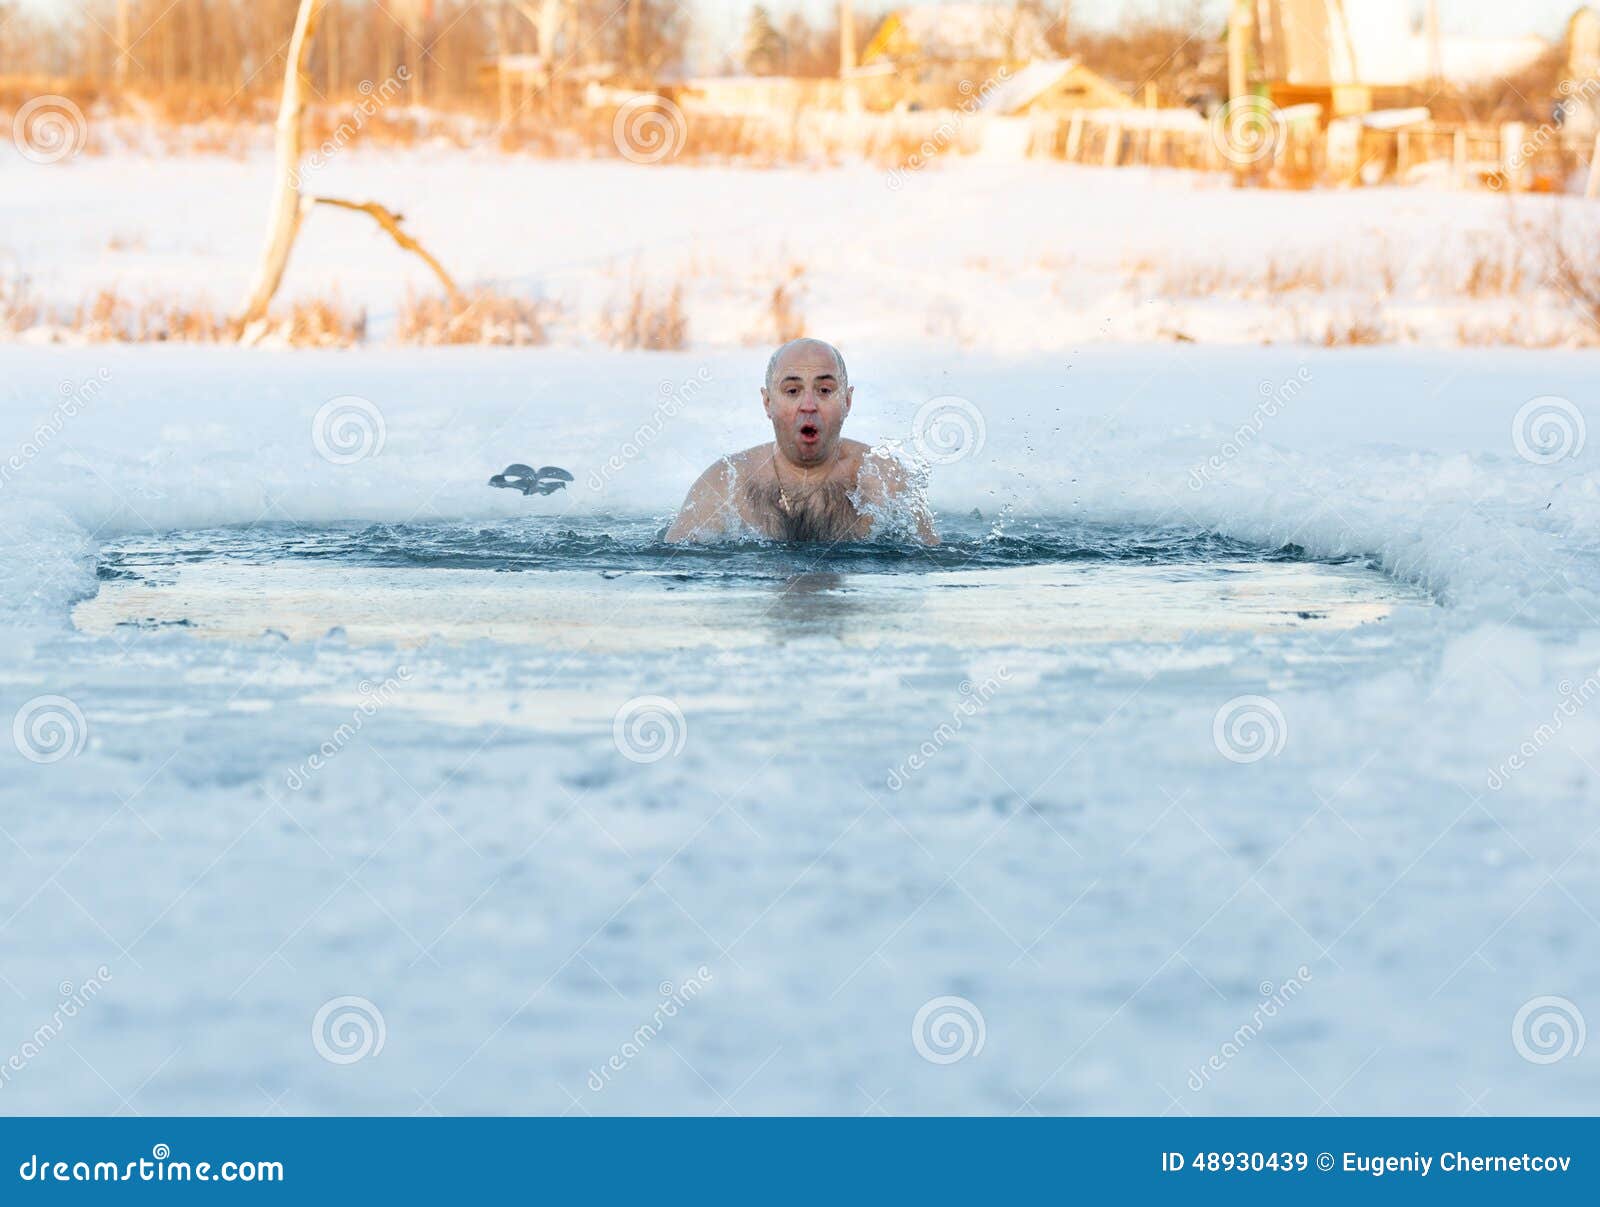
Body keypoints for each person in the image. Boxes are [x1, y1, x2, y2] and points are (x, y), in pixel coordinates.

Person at [665, 338, 938, 545]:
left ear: (847, 401)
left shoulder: (883, 479)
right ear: (767, 401)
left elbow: (927, 562)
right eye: (793, 391)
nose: (809, 405)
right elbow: (676, 563)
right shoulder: (727, 483)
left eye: (824, 391)